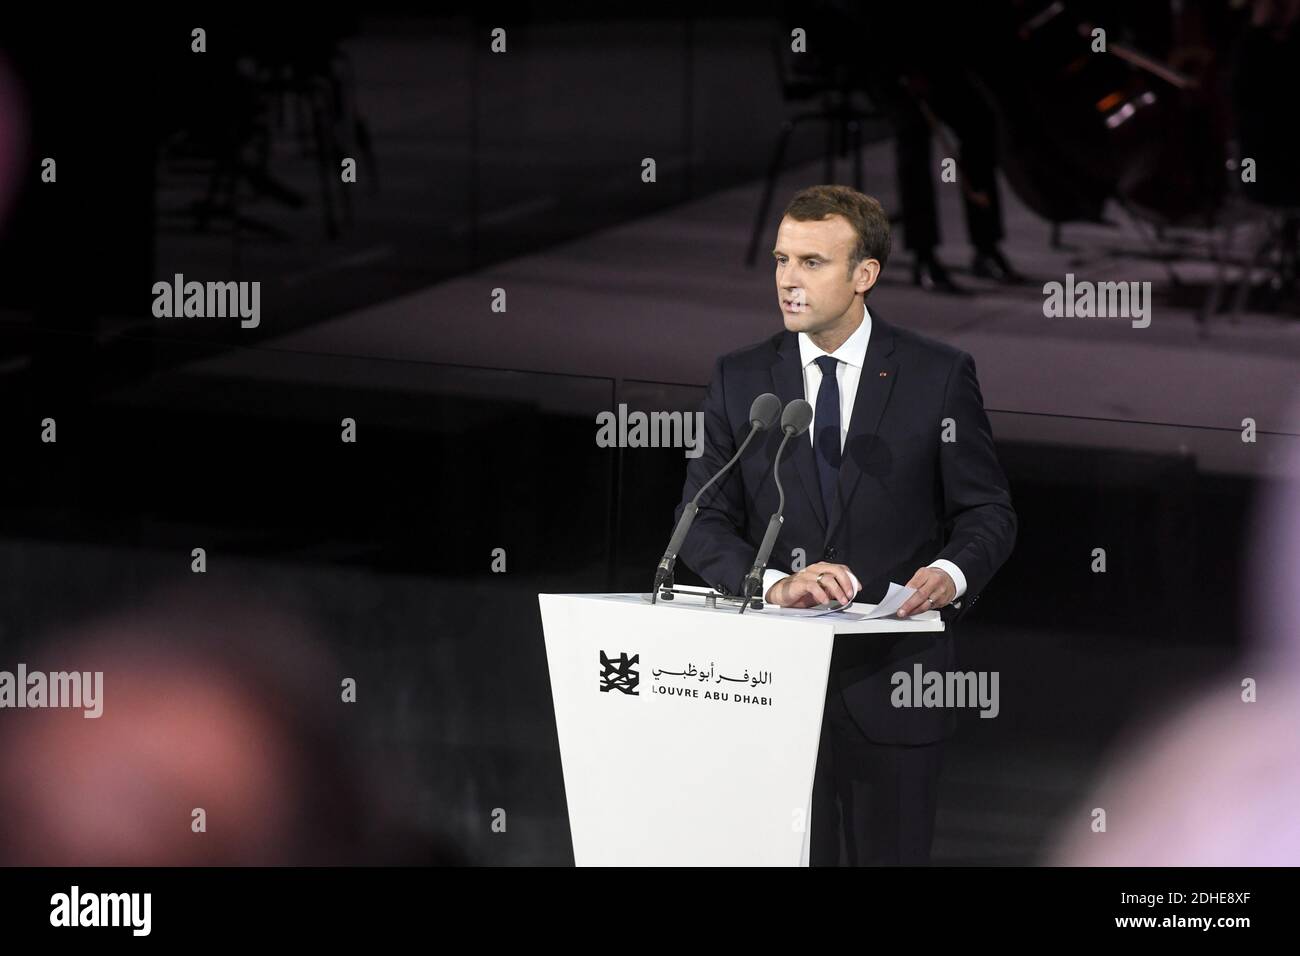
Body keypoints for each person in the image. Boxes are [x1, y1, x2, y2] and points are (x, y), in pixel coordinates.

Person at [673, 185, 1016, 864]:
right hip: (766, 692)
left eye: (811, 262)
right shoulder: (742, 379)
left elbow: (987, 511)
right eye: (780, 260)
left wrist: (950, 574)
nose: (788, 282)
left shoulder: (938, 375)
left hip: (893, 683)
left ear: (865, 275)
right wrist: (774, 585)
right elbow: (701, 520)